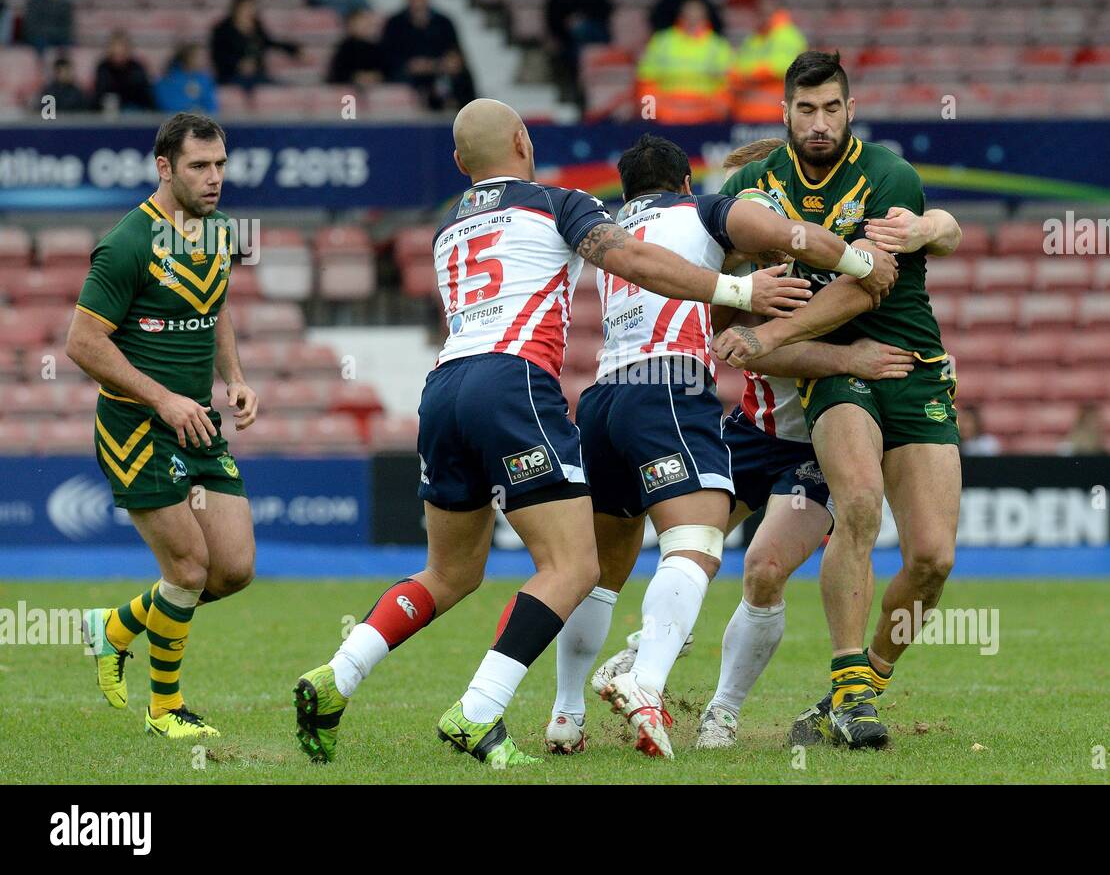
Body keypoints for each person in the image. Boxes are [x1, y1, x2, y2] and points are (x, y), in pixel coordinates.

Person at [289, 99, 811, 768]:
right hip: (513, 386)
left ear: (460, 163)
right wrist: (737, 292)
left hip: (443, 387)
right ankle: (479, 711)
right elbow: (637, 261)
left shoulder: (447, 227)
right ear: (522, 142)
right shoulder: (559, 203)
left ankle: (338, 675)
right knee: (574, 567)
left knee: (448, 572)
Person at [543, 134, 891, 758]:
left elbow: (743, 315)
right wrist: (846, 277)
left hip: (631, 400)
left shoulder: (629, 233)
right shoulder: (717, 232)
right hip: (719, 412)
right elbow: (740, 325)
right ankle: (645, 674)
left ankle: (658, 711)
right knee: (691, 546)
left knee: (735, 569)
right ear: (689, 186)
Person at [712, 51, 965, 750]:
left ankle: (862, 686)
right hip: (839, 373)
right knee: (856, 503)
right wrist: (732, 309)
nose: (818, 123)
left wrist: (768, 337)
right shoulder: (754, 186)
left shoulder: (886, 174)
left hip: (912, 366)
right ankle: (853, 692)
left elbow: (869, 285)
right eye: (805, 109)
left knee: (933, 558)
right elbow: (714, 266)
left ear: (850, 111)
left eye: (831, 109)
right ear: (786, 114)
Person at [68, 112, 258, 739]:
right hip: (135, 428)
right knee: (187, 571)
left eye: (220, 165)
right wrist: (163, 399)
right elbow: (82, 343)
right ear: (164, 167)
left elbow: (216, 304)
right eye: (200, 166)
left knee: (233, 569)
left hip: (198, 424)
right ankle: (165, 710)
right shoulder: (127, 243)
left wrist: (233, 378)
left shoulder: (221, 232)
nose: (214, 178)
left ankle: (115, 628)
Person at [380, 0, 475, 111]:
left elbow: (455, 53)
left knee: (460, 78)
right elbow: (387, 55)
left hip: (439, 71)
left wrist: (440, 64)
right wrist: (409, 65)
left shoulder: (444, 22)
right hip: (406, 74)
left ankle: (467, 114)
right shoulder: (394, 23)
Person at [637, 0, 732, 123]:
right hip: (666, 115)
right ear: (681, 16)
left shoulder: (718, 46)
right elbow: (645, 81)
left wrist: (718, 114)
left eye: (697, 16)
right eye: (689, 15)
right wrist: (649, 115)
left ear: (705, 17)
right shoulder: (662, 42)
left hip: (705, 116)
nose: (693, 20)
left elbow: (728, 86)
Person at [544, 0, 613, 104]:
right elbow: (552, 21)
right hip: (569, 42)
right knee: (577, 49)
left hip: (597, 37)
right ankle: (581, 95)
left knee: (582, 29)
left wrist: (583, 21)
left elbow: (605, 13)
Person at [729, 0, 807, 122]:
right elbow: (738, 66)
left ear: (779, 11)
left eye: (768, 10)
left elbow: (781, 67)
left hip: (775, 115)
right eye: (759, 11)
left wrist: (747, 74)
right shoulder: (754, 38)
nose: (763, 15)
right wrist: (737, 75)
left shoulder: (787, 34)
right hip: (747, 113)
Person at [209, 0, 301, 88]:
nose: (248, 11)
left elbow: (269, 42)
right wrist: (237, 65)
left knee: (280, 89)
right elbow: (218, 54)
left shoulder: (257, 27)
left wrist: (294, 50)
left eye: (251, 7)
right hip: (231, 77)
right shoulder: (222, 29)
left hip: (257, 76)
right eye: (245, 7)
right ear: (236, 8)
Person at [95, 31, 156, 112]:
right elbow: (99, 97)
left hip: (136, 115)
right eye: (115, 48)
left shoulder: (137, 68)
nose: (118, 51)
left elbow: (147, 98)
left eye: (122, 48)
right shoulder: (103, 68)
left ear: (128, 49)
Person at [327, 9, 386, 87]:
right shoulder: (345, 48)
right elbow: (337, 74)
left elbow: (386, 71)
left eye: (367, 22)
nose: (365, 25)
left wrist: (376, 76)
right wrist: (356, 77)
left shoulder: (377, 48)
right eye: (360, 22)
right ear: (350, 25)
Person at [154, 44, 218, 115]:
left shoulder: (204, 80)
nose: (204, 60)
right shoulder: (169, 80)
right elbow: (167, 105)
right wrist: (191, 110)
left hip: (201, 123)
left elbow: (212, 106)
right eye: (199, 57)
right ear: (188, 58)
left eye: (205, 57)